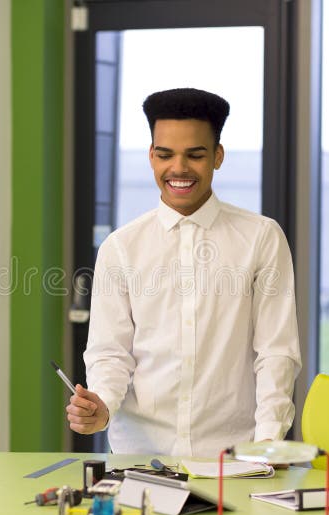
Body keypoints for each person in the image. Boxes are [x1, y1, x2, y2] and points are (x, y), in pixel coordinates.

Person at [65, 88, 301, 457]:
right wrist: (103, 405)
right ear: (151, 157)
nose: (178, 168)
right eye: (165, 155)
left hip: (235, 457)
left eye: (195, 155)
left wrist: (267, 442)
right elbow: (110, 353)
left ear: (217, 157)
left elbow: (276, 353)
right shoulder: (121, 247)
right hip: (140, 457)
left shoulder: (261, 238)